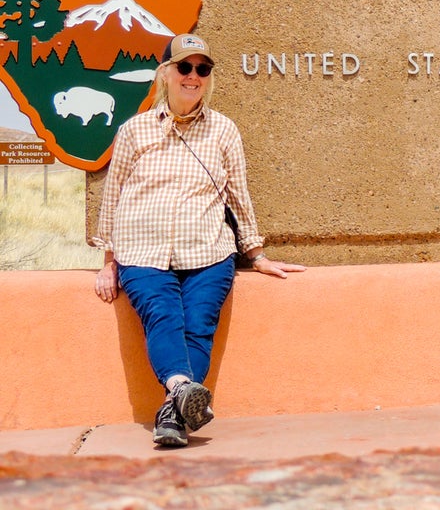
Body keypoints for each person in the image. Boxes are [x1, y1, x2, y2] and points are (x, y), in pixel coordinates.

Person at [91, 33, 305, 446]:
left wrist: (255, 254)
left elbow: (239, 194)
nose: (193, 77)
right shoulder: (135, 129)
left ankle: (172, 417)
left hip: (208, 251)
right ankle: (180, 393)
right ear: (165, 74)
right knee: (162, 315)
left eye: (202, 69)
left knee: (199, 327)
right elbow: (112, 193)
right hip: (143, 250)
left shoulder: (224, 131)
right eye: (185, 67)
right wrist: (109, 259)